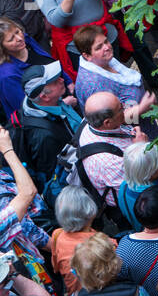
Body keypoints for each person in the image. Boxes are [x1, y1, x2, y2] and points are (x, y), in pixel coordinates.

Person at [75, 92, 146, 214]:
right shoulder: (108, 161)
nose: (125, 107)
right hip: (134, 206)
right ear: (107, 122)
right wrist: (142, 148)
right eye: (121, 108)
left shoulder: (91, 121)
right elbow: (136, 189)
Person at [18, 62, 82, 190]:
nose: (62, 79)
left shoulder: (49, 103)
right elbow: (55, 175)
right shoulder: (45, 137)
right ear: (44, 96)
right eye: (55, 81)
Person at [72, 24, 156, 119]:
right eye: (99, 47)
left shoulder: (104, 60)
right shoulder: (94, 86)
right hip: (132, 131)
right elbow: (111, 121)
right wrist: (141, 108)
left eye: (106, 41)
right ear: (87, 56)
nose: (107, 47)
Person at [0, 17, 64, 118]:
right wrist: (61, 104)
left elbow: (49, 61)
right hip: (49, 116)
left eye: (17, 31)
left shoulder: (26, 41)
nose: (19, 38)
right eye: (11, 39)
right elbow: (26, 109)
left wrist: (68, 82)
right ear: (2, 47)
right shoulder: (7, 76)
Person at [48, 187, 100, 295]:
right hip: (98, 293)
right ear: (89, 210)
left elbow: (56, 266)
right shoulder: (104, 243)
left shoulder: (57, 234)